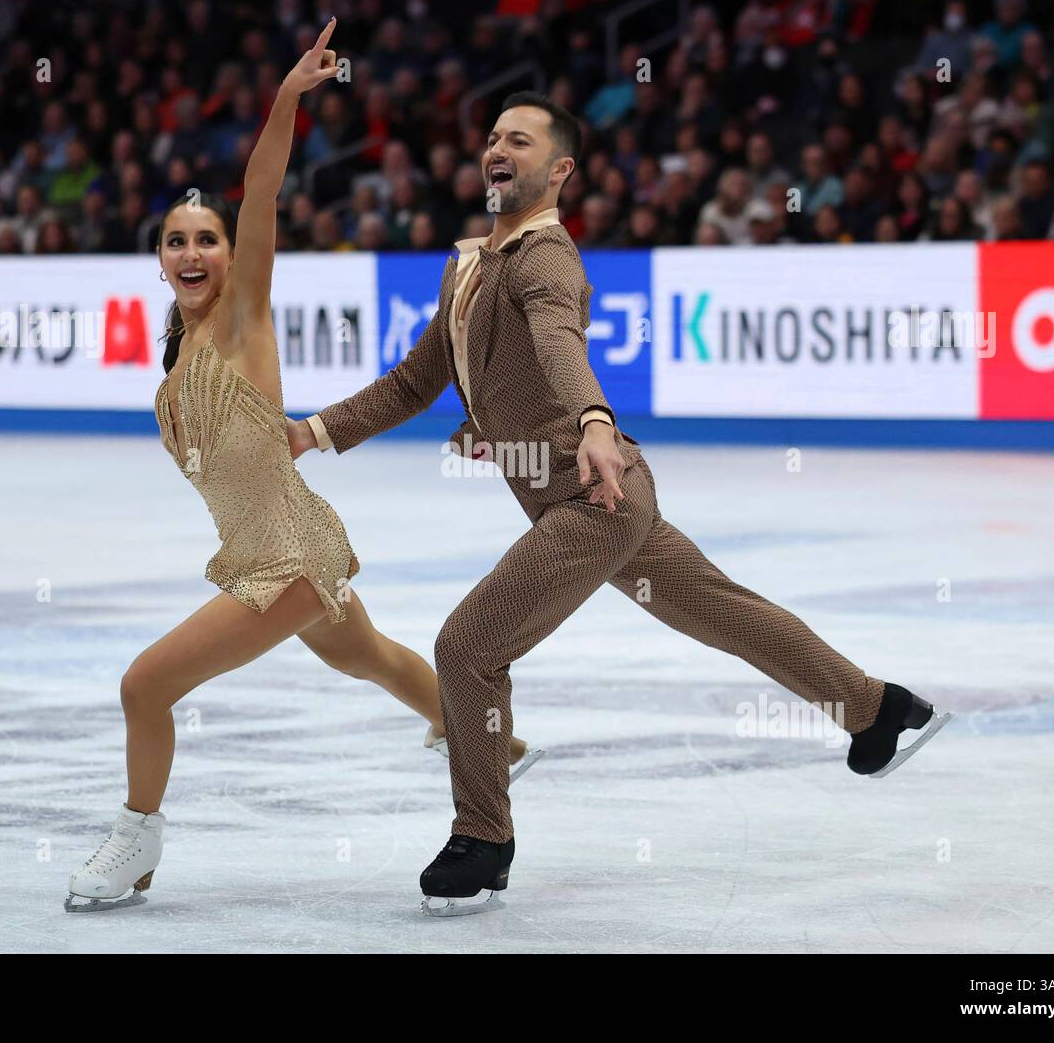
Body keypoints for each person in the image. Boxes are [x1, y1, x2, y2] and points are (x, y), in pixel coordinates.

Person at [287, 91, 951, 915]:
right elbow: (414, 381)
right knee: (722, 609)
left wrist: (595, 421)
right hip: (603, 497)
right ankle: (877, 708)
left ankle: (482, 837)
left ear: (559, 169)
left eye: (520, 141)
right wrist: (312, 432)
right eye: (493, 136)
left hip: (593, 497)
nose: (498, 148)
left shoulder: (545, 260)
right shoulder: (468, 265)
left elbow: (561, 346)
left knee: (466, 647)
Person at [65, 21, 538, 913]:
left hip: (286, 557)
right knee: (377, 661)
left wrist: (285, 98)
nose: (195, 253)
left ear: (230, 254)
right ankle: (487, 735)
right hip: (275, 547)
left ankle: (135, 844)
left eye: (207, 239)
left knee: (145, 684)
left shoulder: (244, 318)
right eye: (177, 242)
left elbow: (263, 188)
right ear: (160, 260)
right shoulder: (178, 353)